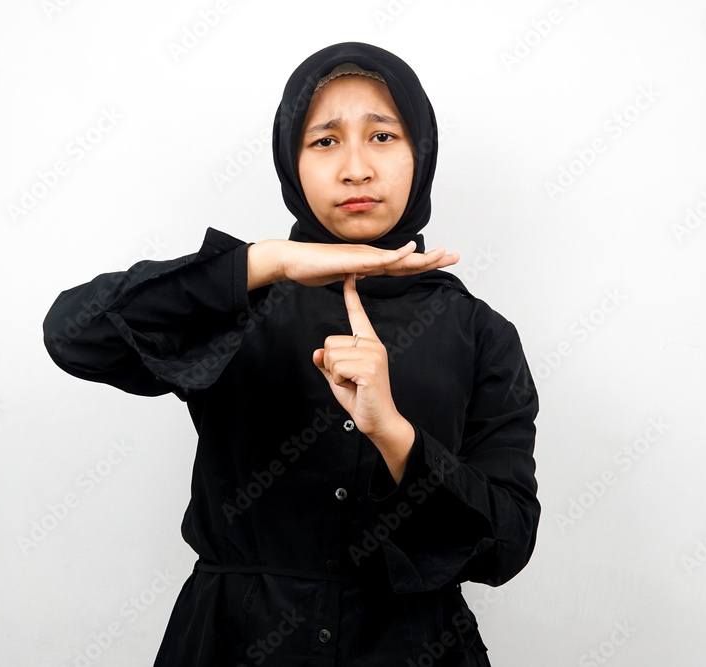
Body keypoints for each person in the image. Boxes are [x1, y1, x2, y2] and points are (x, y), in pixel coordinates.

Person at [43, 41, 539, 666]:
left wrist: (394, 436)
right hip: (233, 644)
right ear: (290, 162)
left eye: (382, 137)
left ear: (423, 152)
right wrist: (267, 261)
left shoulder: (482, 333)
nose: (356, 168)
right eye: (325, 141)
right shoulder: (241, 299)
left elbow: (507, 545)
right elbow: (73, 334)